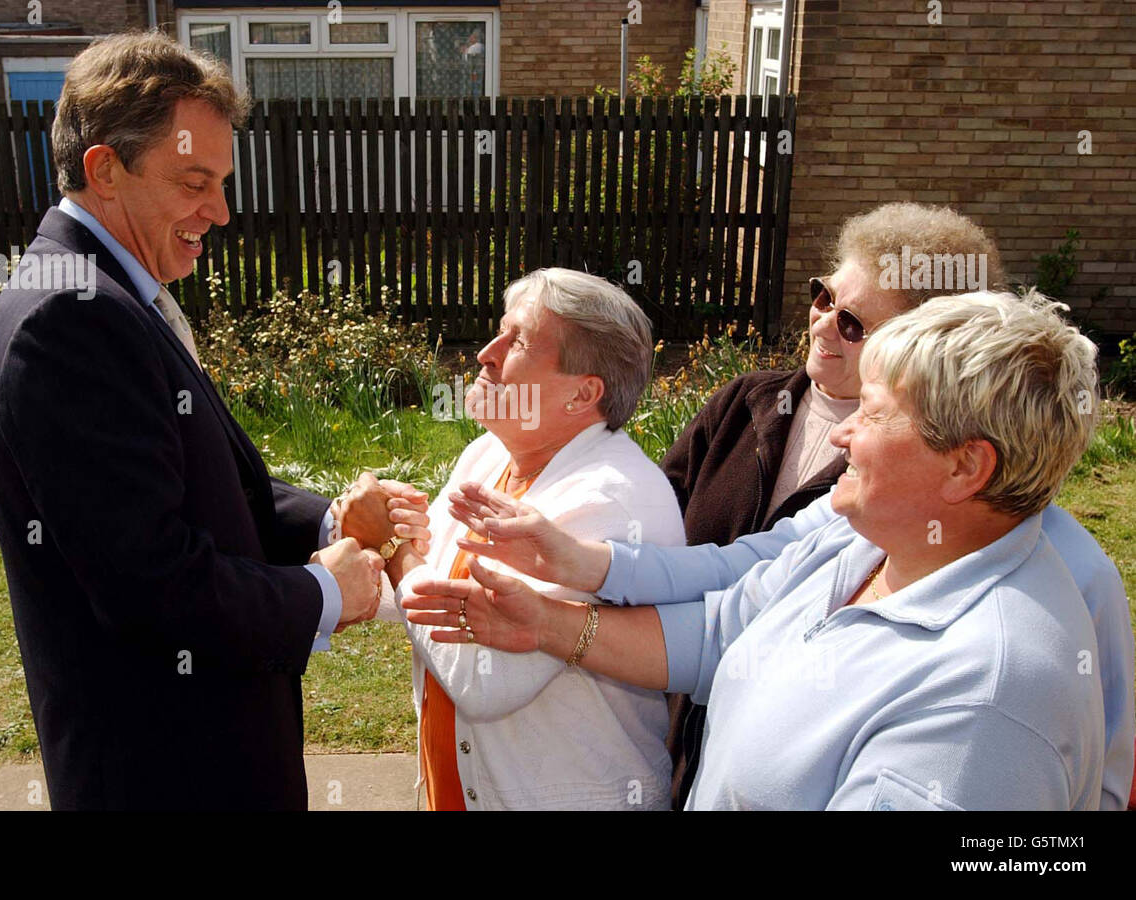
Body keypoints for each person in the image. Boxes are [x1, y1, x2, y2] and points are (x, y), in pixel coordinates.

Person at [407, 290, 1109, 809]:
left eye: (873, 415)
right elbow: (720, 628)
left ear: (965, 467)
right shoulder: (862, 545)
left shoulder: (985, 703)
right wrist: (550, 622)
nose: (840, 435)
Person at [0, 33, 427, 810]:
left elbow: (202, 488)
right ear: (105, 169)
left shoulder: (108, 291)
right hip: (167, 773)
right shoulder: (69, 320)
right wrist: (323, 593)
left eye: (220, 182)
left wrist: (330, 520)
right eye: (194, 182)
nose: (217, 212)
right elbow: (150, 583)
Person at [657, 202, 1005, 808]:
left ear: (919, 346)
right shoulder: (746, 402)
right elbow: (661, 527)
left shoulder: (909, 475)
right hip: (673, 729)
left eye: (852, 323)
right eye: (823, 297)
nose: (821, 325)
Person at [378, 267, 685, 809]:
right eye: (499, 330)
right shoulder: (491, 454)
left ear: (582, 394)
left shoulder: (608, 499)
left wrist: (394, 552)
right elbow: (439, 584)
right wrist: (352, 559)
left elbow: (484, 679)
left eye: (517, 340)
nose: (485, 353)